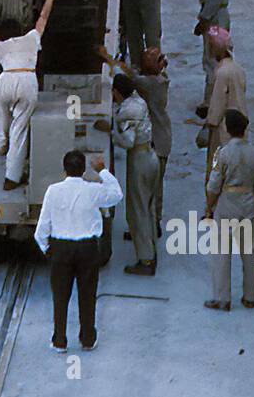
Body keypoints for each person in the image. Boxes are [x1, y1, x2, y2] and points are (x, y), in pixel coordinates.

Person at [34, 151, 123, 352]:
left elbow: (43, 225)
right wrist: (102, 170)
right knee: (87, 295)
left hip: (61, 248)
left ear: (64, 169)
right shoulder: (93, 190)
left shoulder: (53, 191)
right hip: (87, 248)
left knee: (60, 297)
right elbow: (117, 195)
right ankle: (87, 339)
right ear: (84, 170)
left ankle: (59, 340)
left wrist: (47, 249)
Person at [0, 0, 58, 191]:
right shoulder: (31, 38)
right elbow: (43, 17)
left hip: (6, 78)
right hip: (27, 79)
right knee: (20, 127)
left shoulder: (3, 46)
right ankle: (12, 177)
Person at [99, 45, 172, 234]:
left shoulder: (151, 84)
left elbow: (129, 78)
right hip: (159, 137)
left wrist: (108, 58)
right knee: (153, 188)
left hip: (156, 141)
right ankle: (150, 223)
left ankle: (150, 225)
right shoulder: (156, 79)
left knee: (150, 190)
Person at [203, 109, 254, 312]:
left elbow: (213, 186)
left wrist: (209, 207)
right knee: (249, 252)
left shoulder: (222, 153)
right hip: (248, 206)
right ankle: (250, 296)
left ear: (228, 129)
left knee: (221, 253)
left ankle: (222, 298)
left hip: (227, 206)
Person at [105, 74, 160, 277]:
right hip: (150, 156)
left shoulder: (127, 111)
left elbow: (128, 141)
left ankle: (145, 260)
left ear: (117, 92)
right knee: (148, 206)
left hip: (139, 160)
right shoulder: (138, 101)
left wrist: (111, 132)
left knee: (137, 210)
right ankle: (151, 248)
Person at [200, 26, 246, 184]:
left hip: (223, 130)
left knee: (217, 173)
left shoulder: (221, 73)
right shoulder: (238, 69)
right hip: (240, 125)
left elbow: (217, 108)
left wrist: (208, 125)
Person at [194, 0, 231, 118]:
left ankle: (211, 102)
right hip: (213, 15)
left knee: (212, 60)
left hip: (216, 16)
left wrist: (204, 20)